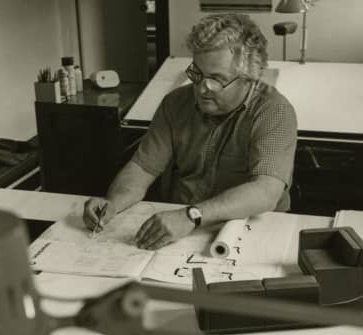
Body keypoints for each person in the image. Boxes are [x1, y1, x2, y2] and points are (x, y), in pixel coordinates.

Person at [83, 13, 298, 250]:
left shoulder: (274, 111)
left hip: (247, 230)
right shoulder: (175, 103)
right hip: (181, 226)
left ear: (249, 78)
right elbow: (143, 167)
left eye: (216, 79)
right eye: (197, 74)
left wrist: (192, 215)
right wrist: (113, 203)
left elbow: (265, 191)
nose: (202, 88)